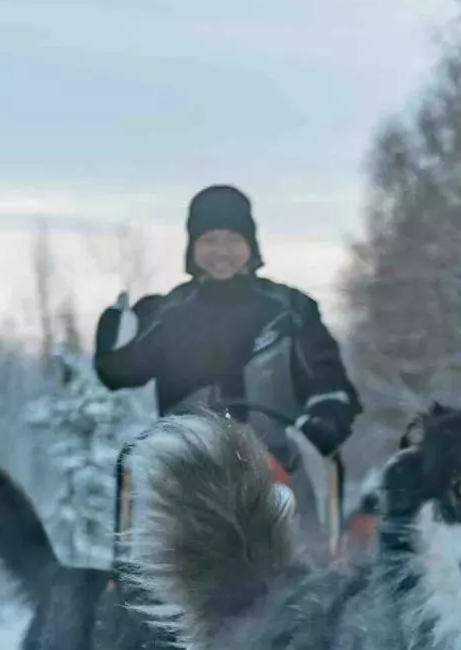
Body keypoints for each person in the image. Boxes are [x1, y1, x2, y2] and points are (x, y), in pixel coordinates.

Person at [93, 183, 361, 463]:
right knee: (135, 474)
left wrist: (327, 416)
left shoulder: (291, 309)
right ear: (193, 246)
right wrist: (114, 337)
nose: (222, 251)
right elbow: (120, 373)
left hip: (278, 467)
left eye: (233, 239)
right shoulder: (166, 312)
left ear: (251, 244)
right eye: (210, 240)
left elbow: (329, 381)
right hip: (189, 470)